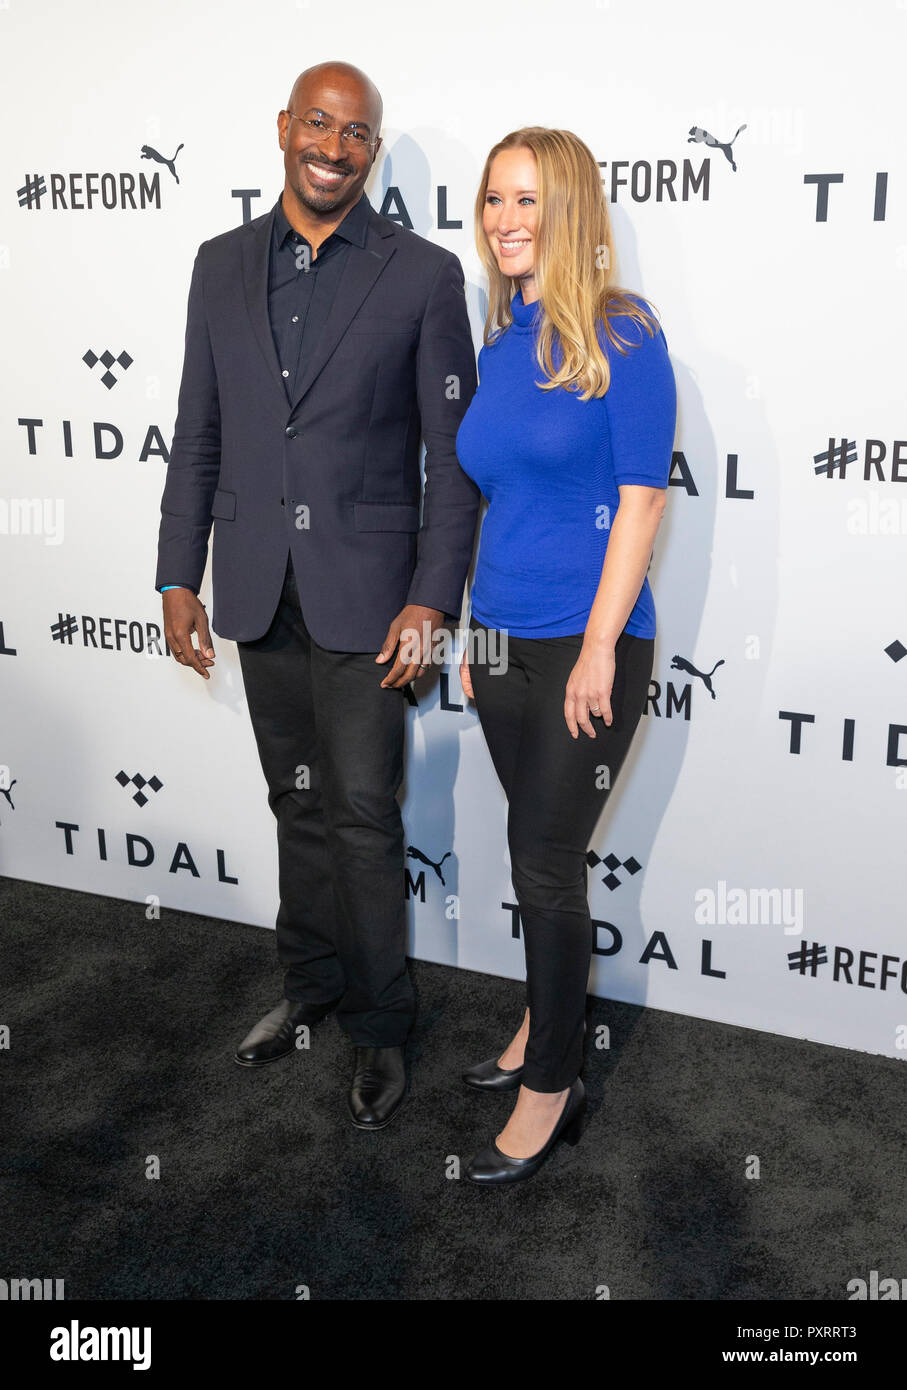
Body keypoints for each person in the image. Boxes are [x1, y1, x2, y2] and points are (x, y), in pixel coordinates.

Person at [155, 61, 479, 1131]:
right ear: (285, 129)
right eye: (319, 126)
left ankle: (382, 1024)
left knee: (363, 817)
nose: (335, 148)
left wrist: (432, 601)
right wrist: (176, 572)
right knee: (295, 802)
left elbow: (453, 460)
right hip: (256, 592)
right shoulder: (219, 265)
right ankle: (311, 985)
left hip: (371, 602)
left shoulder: (424, 277)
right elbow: (199, 429)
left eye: (357, 135)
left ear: (371, 152)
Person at [456, 127, 677, 1184]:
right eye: (494, 198)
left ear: (571, 211)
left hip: (589, 650)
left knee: (546, 866)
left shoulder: (622, 334)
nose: (504, 218)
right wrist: (470, 629)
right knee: (529, 849)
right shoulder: (499, 341)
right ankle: (544, 1019)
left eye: (526, 200)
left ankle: (553, 1080)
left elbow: (639, 502)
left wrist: (597, 649)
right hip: (498, 637)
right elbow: (495, 501)